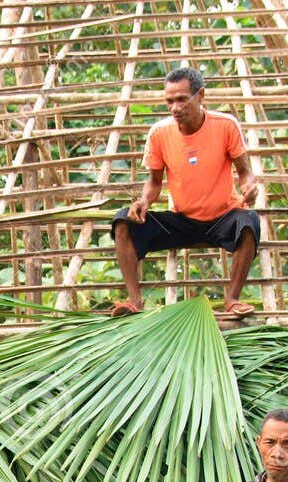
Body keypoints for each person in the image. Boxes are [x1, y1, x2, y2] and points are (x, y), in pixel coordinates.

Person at [110, 66, 261, 318]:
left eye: (181, 99)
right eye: (169, 101)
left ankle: (232, 299)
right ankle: (134, 301)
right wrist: (144, 201)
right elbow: (154, 182)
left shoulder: (226, 125)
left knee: (249, 222)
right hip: (181, 220)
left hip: (223, 217)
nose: (175, 108)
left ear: (200, 96)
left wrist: (249, 186)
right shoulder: (159, 133)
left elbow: (245, 172)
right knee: (122, 222)